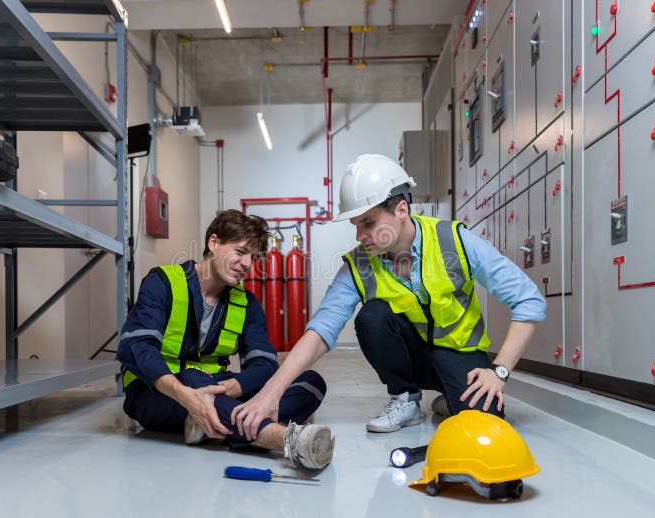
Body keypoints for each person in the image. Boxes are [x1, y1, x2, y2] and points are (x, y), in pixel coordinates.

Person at [231, 154, 546, 438]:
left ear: (401, 209)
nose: (359, 235)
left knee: (486, 422)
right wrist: (271, 392)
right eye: (356, 225)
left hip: (459, 354)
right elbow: (320, 331)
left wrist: (499, 370)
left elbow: (528, 300)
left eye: (368, 223)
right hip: (411, 360)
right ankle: (405, 399)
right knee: (373, 316)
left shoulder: (453, 240)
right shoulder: (359, 265)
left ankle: (450, 399)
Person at [118, 209, 334, 469]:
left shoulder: (247, 303)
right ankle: (284, 438)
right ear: (213, 243)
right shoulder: (163, 282)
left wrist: (232, 388)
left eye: (253, 258)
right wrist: (187, 396)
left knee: (311, 383)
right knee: (193, 378)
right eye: (241, 252)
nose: (246, 264)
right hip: (159, 393)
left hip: (215, 391)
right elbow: (135, 348)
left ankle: (210, 422)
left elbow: (265, 365)